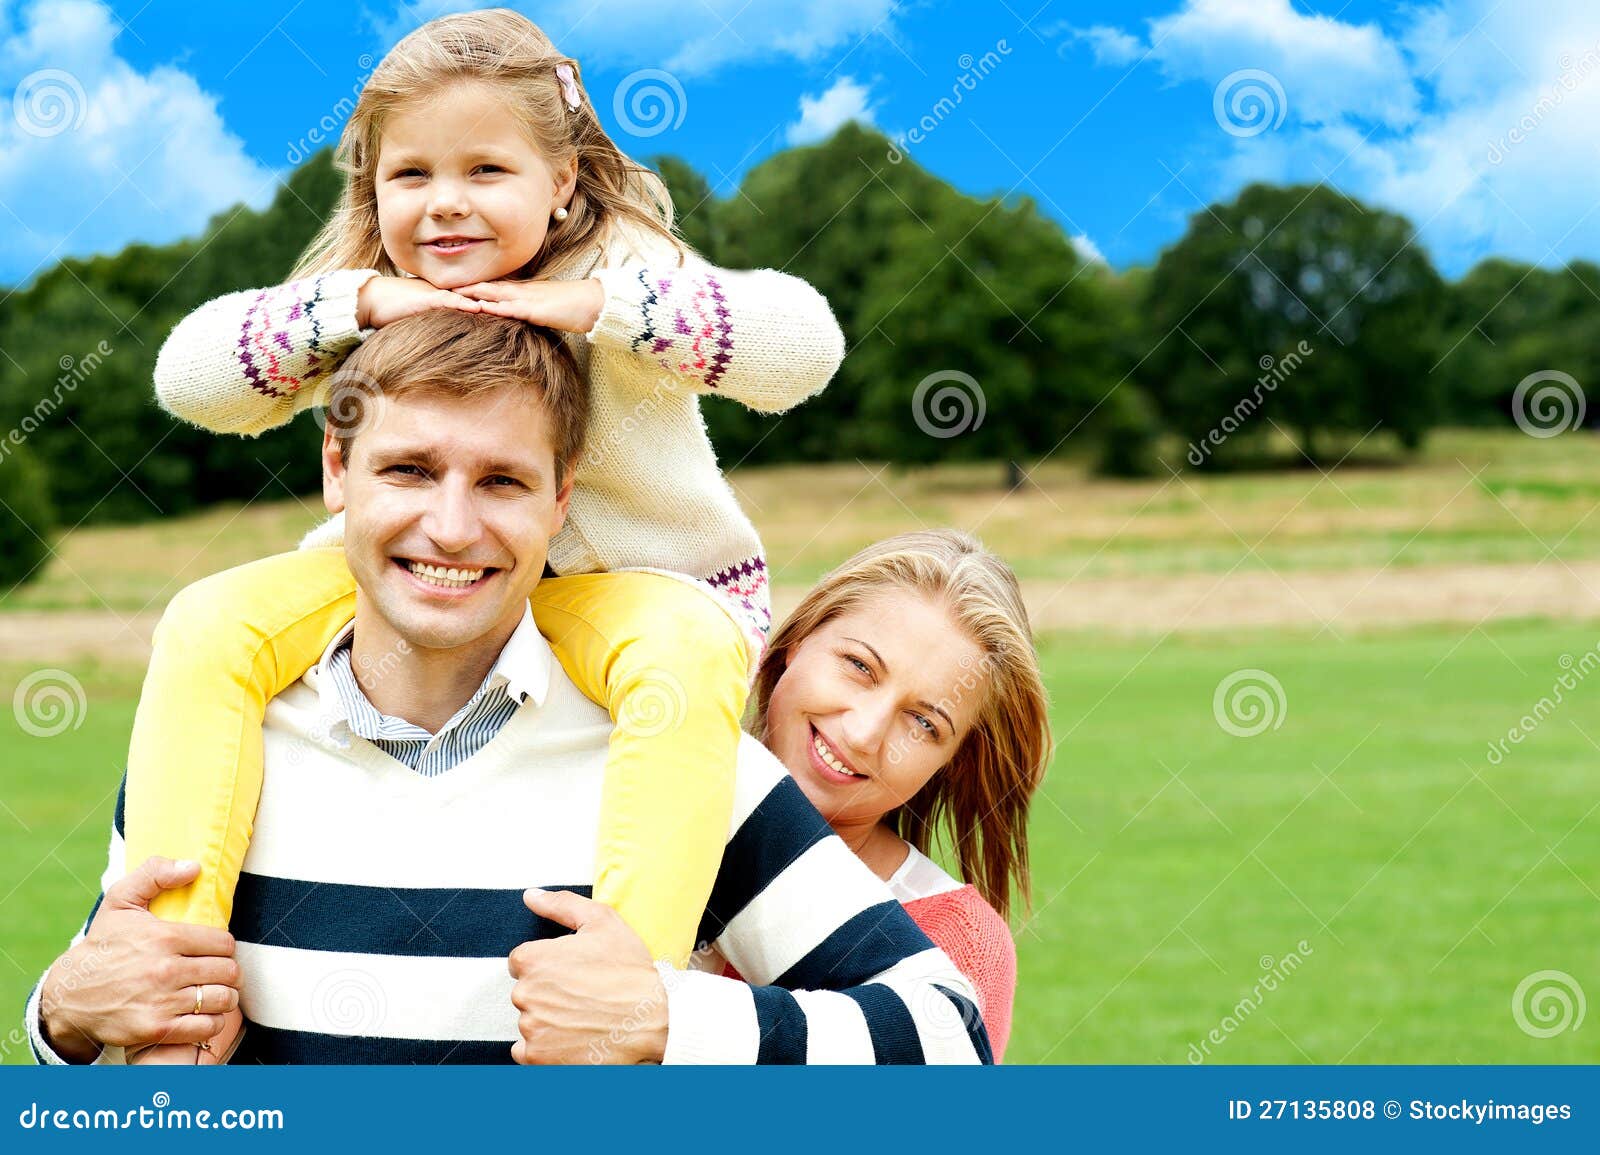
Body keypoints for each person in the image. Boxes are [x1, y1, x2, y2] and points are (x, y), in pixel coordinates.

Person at [123, 8, 845, 1060]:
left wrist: (597, 306)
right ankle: (171, 989)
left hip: (634, 594)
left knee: (685, 659)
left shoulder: (620, 268)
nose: (445, 203)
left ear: (560, 180)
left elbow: (805, 349)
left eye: (486, 170)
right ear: (372, 190)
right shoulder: (370, 294)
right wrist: (359, 302)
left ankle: (618, 998)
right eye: (408, 176)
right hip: (422, 583)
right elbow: (188, 379)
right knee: (207, 622)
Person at [25, 310, 989, 1065]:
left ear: (561, 498)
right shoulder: (226, 743)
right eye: (408, 469)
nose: (450, 527)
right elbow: (111, 1017)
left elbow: (954, 1040)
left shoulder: (682, 762)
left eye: (501, 482)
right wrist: (61, 1017)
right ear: (337, 470)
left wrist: (666, 1016)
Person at [741, 530, 1052, 1060]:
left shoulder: (956, 944)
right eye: (860, 667)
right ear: (796, 641)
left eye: (924, 723)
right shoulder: (620, 785)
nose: (864, 733)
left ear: (950, 763)